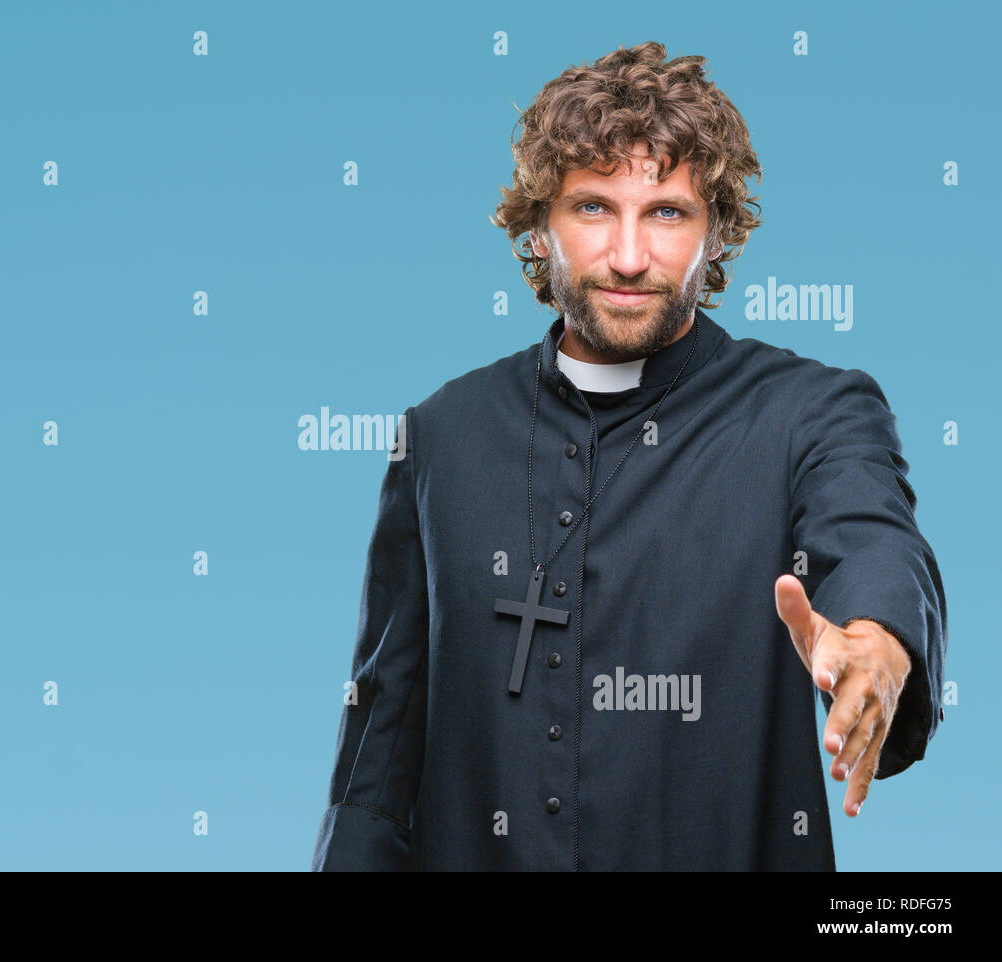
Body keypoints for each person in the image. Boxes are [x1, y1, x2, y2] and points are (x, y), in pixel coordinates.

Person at [310, 41, 947, 871]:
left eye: (667, 213)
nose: (629, 256)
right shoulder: (441, 434)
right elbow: (379, 751)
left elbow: (874, 538)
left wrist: (877, 639)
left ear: (717, 232)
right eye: (593, 209)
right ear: (540, 227)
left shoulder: (808, 412)